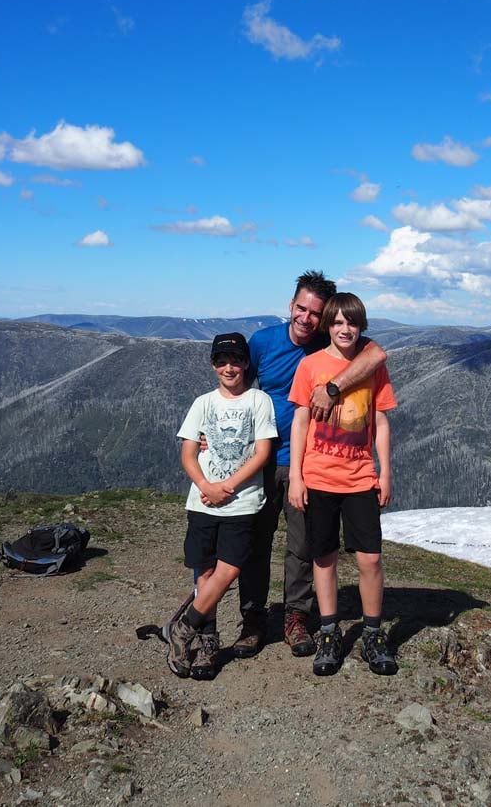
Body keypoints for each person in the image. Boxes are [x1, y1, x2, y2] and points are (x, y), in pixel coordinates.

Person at [233, 270, 387, 659]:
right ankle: (252, 620)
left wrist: (334, 388)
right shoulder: (263, 342)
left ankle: (296, 617)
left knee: (304, 548)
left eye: (315, 313)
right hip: (264, 458)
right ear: (290, 305)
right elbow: (236, 386)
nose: (306, 317)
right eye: (301, 308)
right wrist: (211, 428)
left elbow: (376, 354)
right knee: (256, 542)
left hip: (307, 464)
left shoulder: (327, 342)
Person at [288, 293, 398, 676]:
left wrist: (384, 471)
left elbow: (381, 421)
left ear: (360, 326)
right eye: (337, 323)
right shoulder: (310, 366)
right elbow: (300, 421)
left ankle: (371, 632)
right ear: (327, 327)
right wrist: (296, 476)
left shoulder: (371, 368)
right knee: (324, 557)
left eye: (351, 323)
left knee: (370, 558)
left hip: (360, 476)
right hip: (319, 477)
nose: (345, 329)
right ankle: (330, 632)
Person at [165, 333, 277, 681]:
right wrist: (206, 487)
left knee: (229, 570)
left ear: (246, 363)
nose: (229, 368)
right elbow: (187, 452)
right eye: (221, 361)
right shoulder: (202, 403)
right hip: (203, 502)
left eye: (236, 360)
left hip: (241, 503)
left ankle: (184, 627)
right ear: (213, 365)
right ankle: (208, 642)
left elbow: (263, 452)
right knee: (205, 572)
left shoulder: (259, 401)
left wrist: (225, 487)